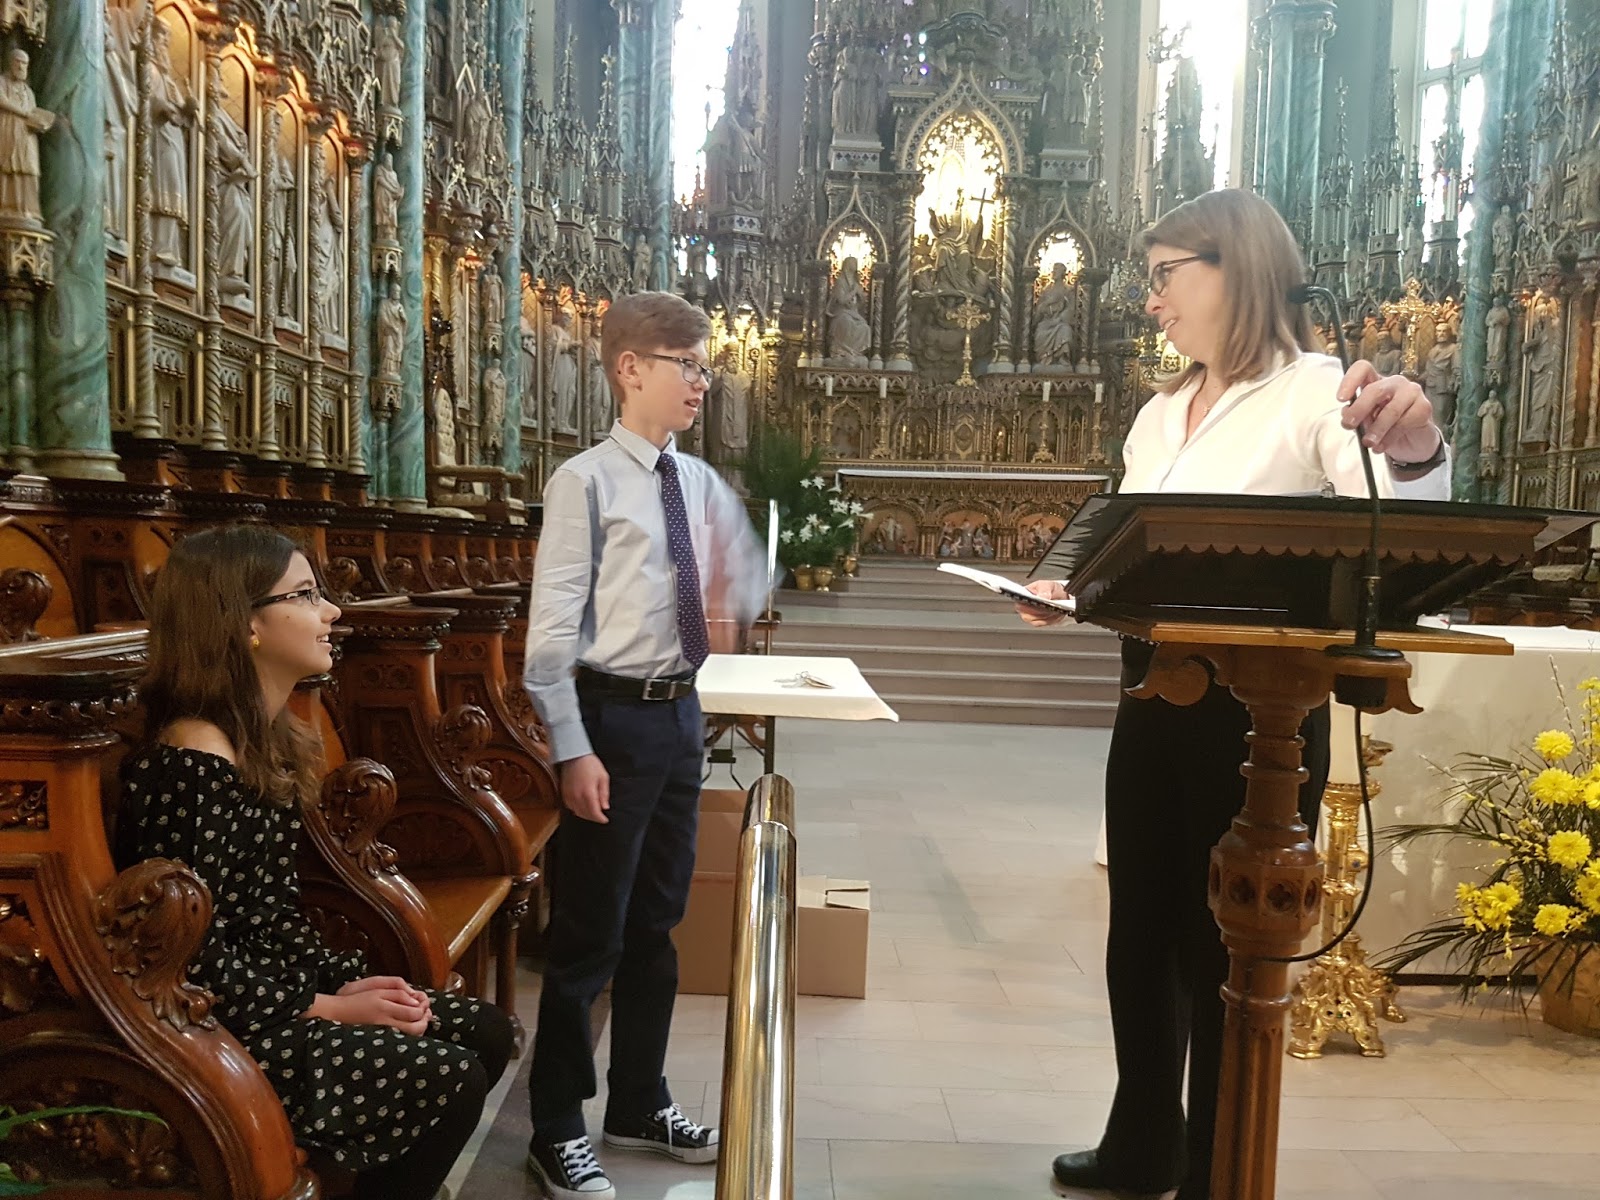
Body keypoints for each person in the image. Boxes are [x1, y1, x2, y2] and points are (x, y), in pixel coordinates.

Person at [1018, 189, 1449, 1200]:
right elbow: (1134, 552)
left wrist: (1417, 446)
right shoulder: (1160, 410)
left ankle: (1218, 1158)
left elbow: (1394, 521)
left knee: (1222, 944)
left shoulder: (1318, 391)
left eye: (1165, 276)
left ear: (1236, 269)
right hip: (1149, 700)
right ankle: (1142, 1141)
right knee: (1140, 934)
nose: (1151, 301)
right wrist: (1070, 591)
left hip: (1257, 722)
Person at [114, 526, 515, 1200]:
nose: (331, 611)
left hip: (266, 995)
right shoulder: (191, 765)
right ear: (244, 623)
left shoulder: (256, 737)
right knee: (447, 1078)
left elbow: (269, 915)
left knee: (485, 1030)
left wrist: (343, 988)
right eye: (304, 595)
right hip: (209, 1028)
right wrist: (326, 1007)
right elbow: (189, 962)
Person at [522, 291, 765, 1200]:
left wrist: (738, 581)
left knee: (658, 924)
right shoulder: (583, 480)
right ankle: (555, 1124)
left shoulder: (695, 481)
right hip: (611, 717)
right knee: (589, 932)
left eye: (706, 365)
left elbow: (739, 575)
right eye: (686, 364)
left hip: (677, 713)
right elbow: (550, 637)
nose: (703, 381)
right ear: (630, 368)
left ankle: (638, 1100)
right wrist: (571, 748)